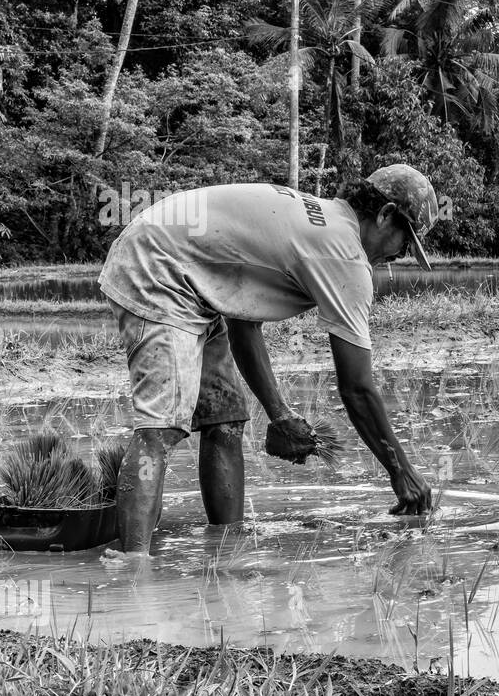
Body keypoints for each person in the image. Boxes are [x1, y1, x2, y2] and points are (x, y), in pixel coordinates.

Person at [98, 164, 437, 553]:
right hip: (157, 269)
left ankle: (225, 551)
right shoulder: (344, 254)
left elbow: (244, 324)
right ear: (385, 214)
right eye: (404, 242)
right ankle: (131, 570)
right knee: (161, 427)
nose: (400, 255)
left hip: (189, 278)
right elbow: (357, 388)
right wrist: (402, 473)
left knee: (225, 418)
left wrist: (279, 413)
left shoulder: (322, 218)